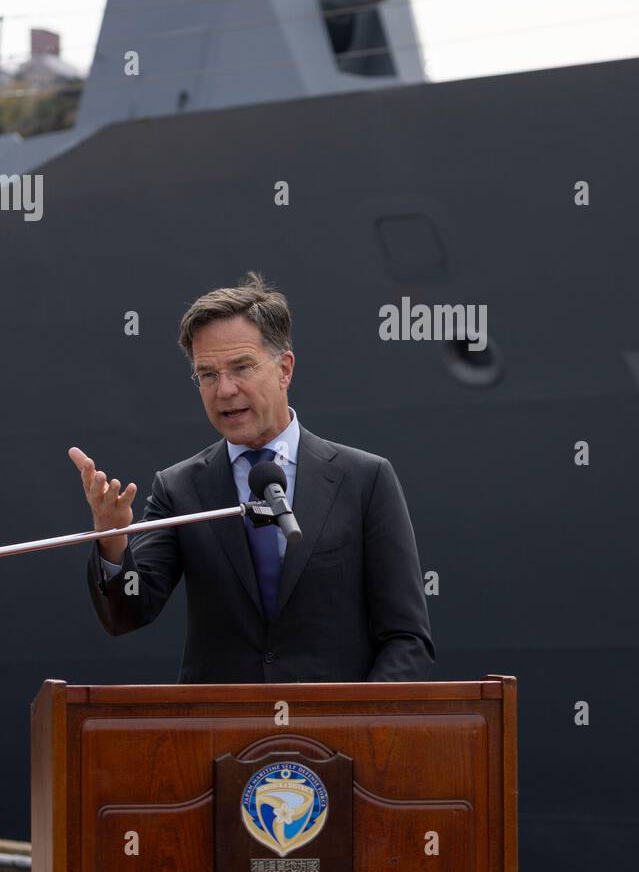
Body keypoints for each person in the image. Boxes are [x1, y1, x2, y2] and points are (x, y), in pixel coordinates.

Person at [69, 271, 435, 684]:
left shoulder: (365, 479)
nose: (224, 390)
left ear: (284, 370)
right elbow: (127, 612)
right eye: (207, 374)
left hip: (335, 741)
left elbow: (407, 639)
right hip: (219, 738)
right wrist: (111, 538)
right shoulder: (180, 488)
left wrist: (361, 725)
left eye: (241, 367)